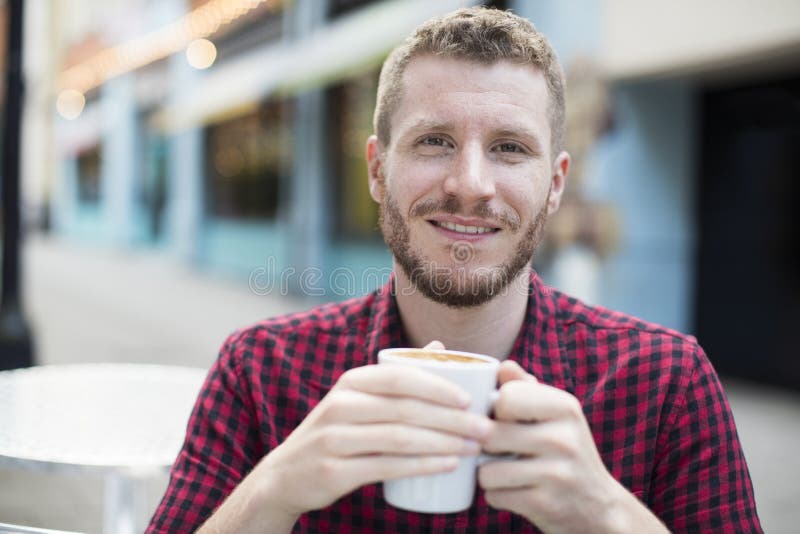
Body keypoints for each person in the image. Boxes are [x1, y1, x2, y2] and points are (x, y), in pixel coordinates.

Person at [147, 7, 761, 533]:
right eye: (435, 140)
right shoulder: (259, 372)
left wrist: (606, 513)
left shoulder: (665, 384)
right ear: (378, 170)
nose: (470, 185)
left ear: (554, 185)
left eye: (510, 148)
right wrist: (274, 489)